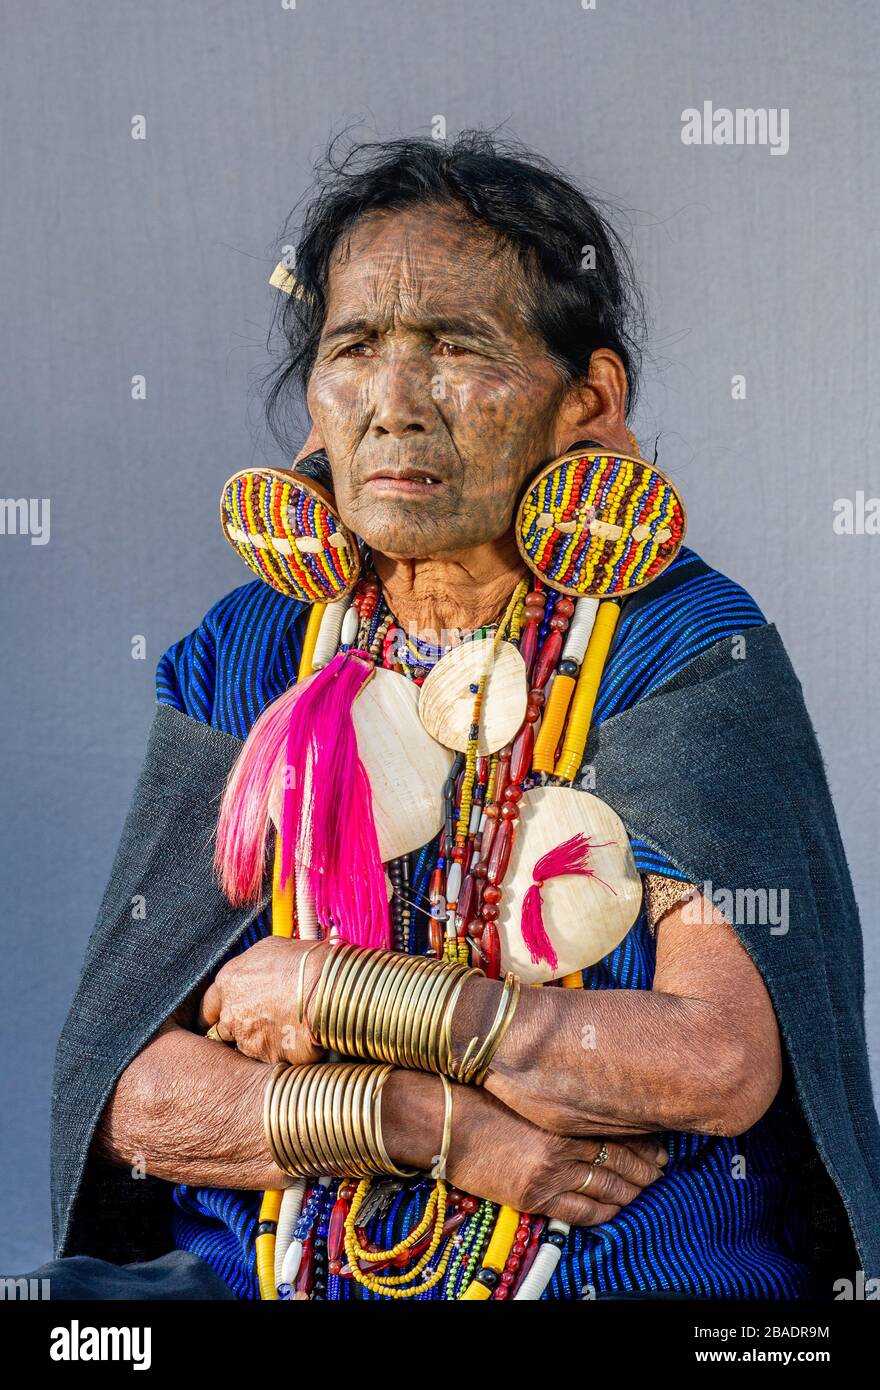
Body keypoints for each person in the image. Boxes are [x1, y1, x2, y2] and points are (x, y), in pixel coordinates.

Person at [48, 132, 880, 1301]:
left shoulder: (676, 646)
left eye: (454, 347)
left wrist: (334, 996)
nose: (392, 405)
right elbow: (131, 1090)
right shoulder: (245, 653)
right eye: (353, 350)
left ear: (586, 400)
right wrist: (422, 1118)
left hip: (620, 1276)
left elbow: (713, 1059)